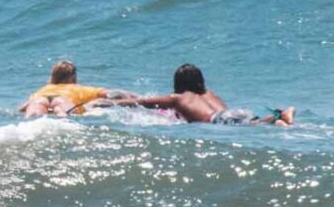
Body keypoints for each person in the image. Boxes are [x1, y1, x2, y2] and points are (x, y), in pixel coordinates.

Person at [100, 64, 294, 125]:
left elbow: (140, 102)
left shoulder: (177, 98)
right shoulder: (210, 93)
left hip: (218, 120)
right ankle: (277, 118)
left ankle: (279, 115)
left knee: (254, 126)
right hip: (237, 112)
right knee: (252, 124)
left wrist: (107, 104)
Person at [19, 61, 135, 118]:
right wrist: (135, 97)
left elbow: (22, 108)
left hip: (40, 100)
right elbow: (112, 93)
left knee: (34, 121)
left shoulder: (43, 89)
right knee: (62, 119)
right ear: (73, 76)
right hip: (62, 100)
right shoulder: (79, 88)